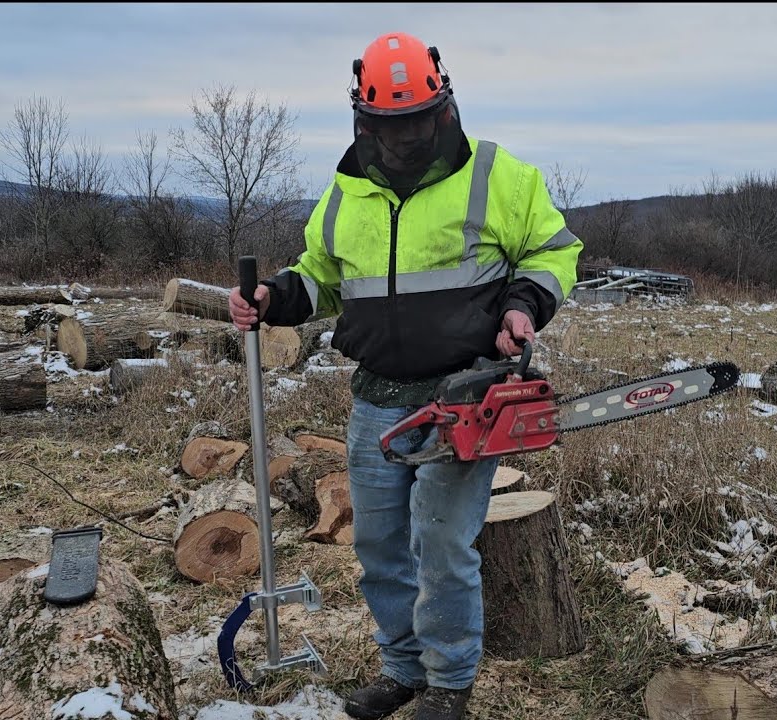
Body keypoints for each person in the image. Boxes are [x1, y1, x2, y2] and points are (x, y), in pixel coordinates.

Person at [229, 31, 582, 720]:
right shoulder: (347, 190)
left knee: (441, 543)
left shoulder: (496, 176)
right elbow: (322, 277)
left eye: (417, 123)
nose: (406, 139)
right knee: (380, 544)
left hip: (462, 393)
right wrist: (275, 297)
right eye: (391, 127)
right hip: (378, 398)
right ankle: (405, 668)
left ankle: (450, 683)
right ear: (365, 121)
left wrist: (523, 305)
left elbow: (553, 248)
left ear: (443, 110)